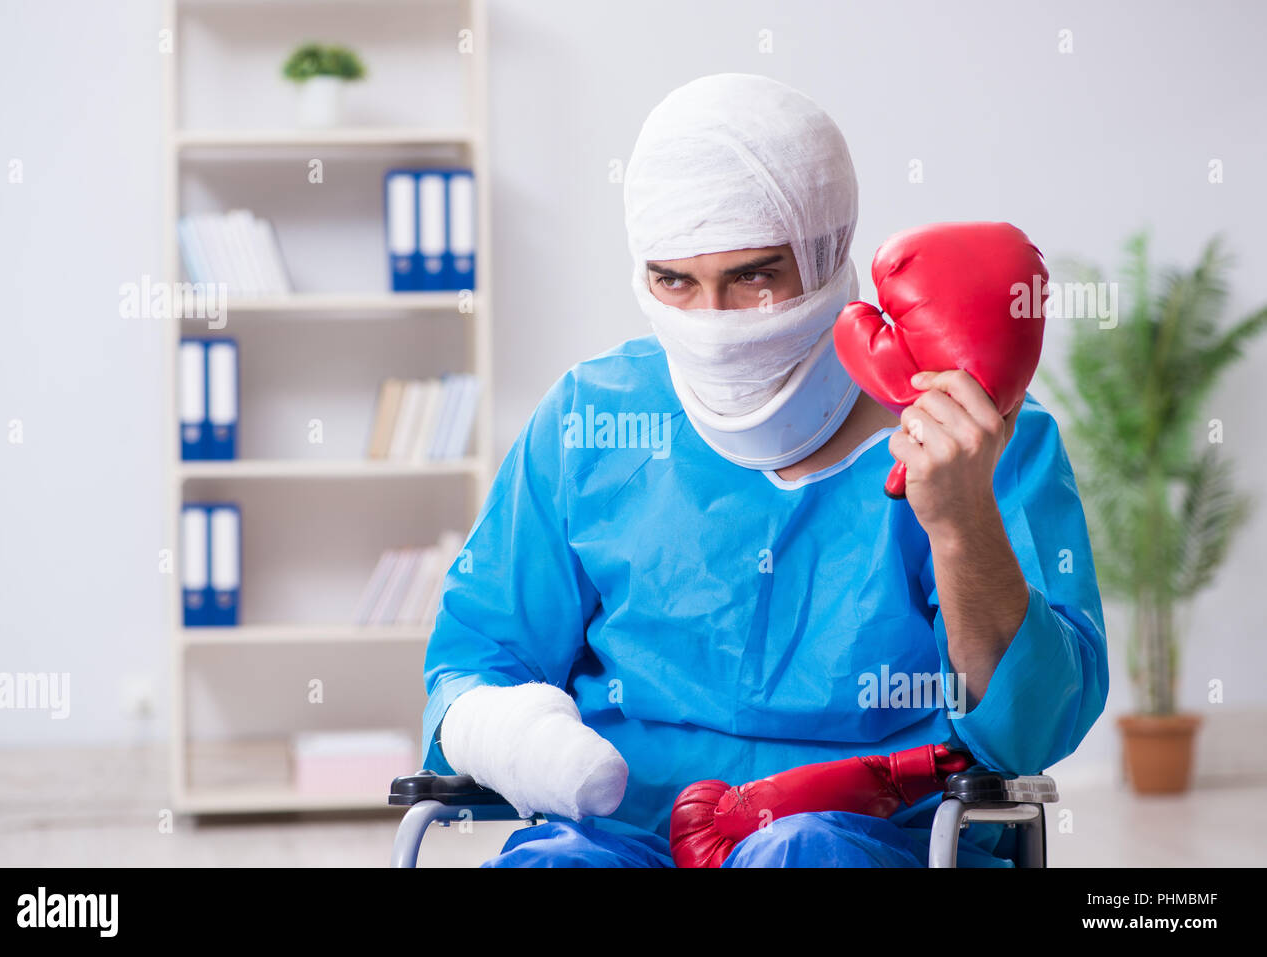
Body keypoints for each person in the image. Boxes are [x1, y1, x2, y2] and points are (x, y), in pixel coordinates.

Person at [419, 73, 1108, 867]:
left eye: (753, 276)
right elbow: (478, 654)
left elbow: (1035, 729)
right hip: (622, 833)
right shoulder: (591, 420)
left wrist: (960, 525)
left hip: (878, 841)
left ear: (825, 254)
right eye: (674, 280)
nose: (711, 323)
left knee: (803, 852)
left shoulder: (979, 436)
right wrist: (523, 740)